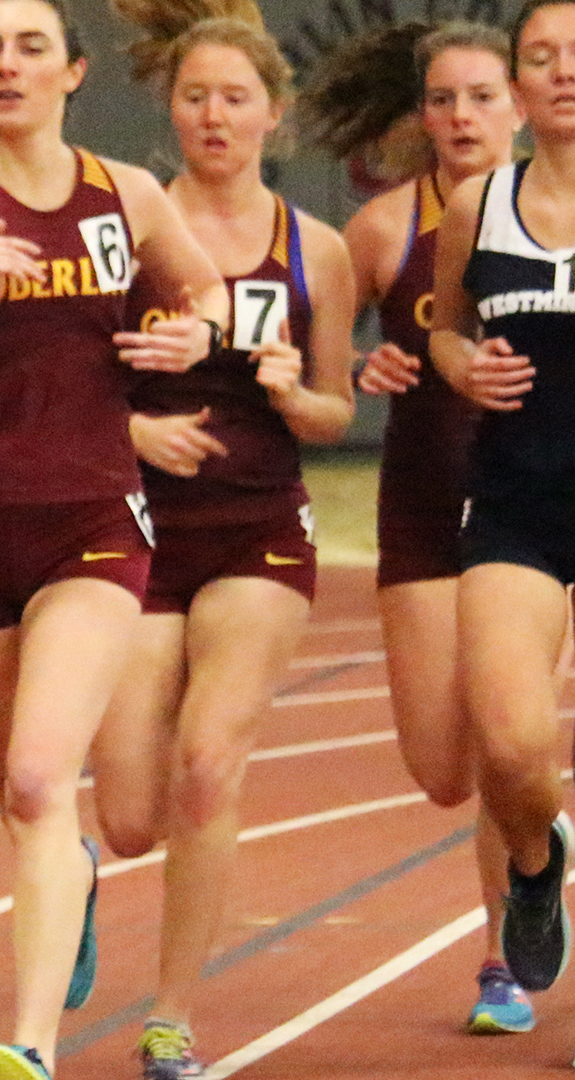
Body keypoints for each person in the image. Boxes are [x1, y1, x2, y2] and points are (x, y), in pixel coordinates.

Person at [0, 3, 228, 1077]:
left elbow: (199, 283)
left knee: (34, 780)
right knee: (33, 809)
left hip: (94, 524)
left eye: (29, 48)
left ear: (73, 72)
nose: (8, 64)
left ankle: (28, 1047)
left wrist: (190, 327)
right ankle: (64, 878)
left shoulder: (127, 194)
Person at [89, 5, 357, 1076]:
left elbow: (338, 409)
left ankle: (171, 1017)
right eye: (195, 96)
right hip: (142, 531)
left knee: (209, 764)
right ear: (172, 108)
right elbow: (66, 387)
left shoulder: (316, 251)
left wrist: (297, 395)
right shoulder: (132, 228)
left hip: (260, 531)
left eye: (235, 97)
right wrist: (132, 428)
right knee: (128, 817)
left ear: (272, 114)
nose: (214, 115)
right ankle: (79, 884)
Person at [304, 17, 534, 1034]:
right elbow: (326, 360)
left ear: (519, 105)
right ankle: (542, 835)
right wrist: (362, 368)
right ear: (420, 114)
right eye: (442, 99)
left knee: (502, 732)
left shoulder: (556, 219)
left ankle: (504, 963)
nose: (460, 117)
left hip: (530, 506)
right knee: (443, 768)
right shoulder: (385, 230)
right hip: (423, 503)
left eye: (481, 96)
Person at [430, 0, 575, 1012]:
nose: (565, 71)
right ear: (518, 89)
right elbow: (448, 323)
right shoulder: (480, 203)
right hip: (518, 503)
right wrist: (459, 366)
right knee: (512, 743)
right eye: (543, 57)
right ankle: (535, 858)